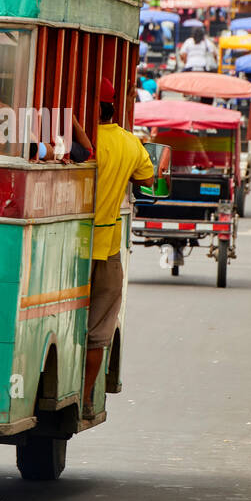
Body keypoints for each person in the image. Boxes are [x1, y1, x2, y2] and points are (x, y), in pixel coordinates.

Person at [85, 78, 154, 415]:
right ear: (113, 105)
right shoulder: (129, 144)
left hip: (71, 248)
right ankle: (84, 401)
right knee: (98, 332)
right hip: (107, 248)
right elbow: (148, 178)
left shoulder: (79, 140)